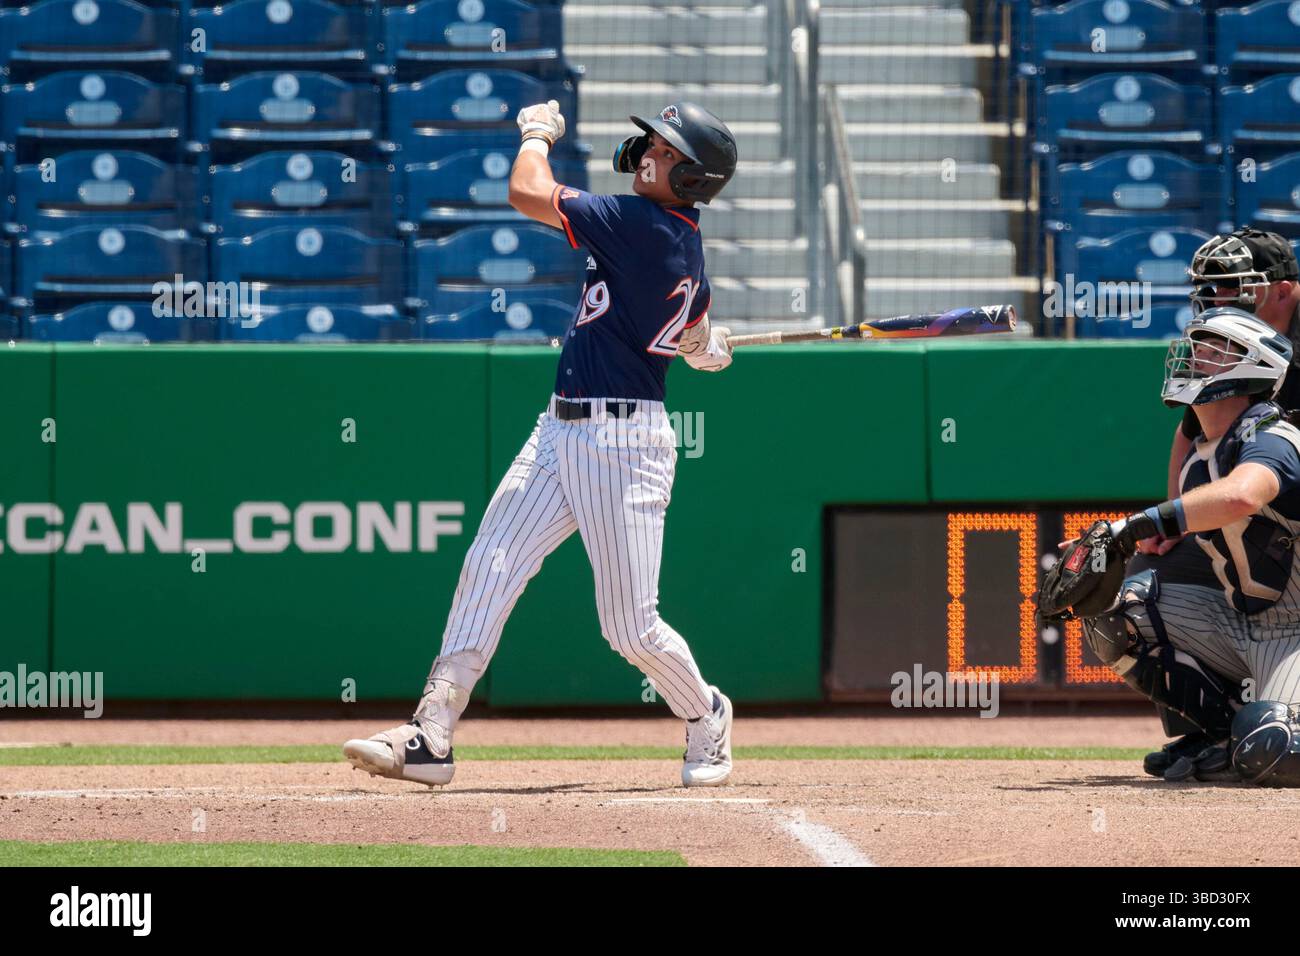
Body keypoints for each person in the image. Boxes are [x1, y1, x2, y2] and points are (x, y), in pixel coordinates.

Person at [343, 100, 741, 788]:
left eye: (668, 150)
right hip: (559, 429)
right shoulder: (674, 240)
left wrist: (536, 133)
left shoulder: (640, 223)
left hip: (624, 445)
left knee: (630, 629)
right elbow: (688, 318)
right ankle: (431, 733)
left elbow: (526, 189)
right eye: (654, 140)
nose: (649, 148)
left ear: (692, 178)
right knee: (490, 564)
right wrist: (702, 342)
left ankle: (706, 713)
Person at [1063, 306, 1300, 783]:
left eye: (1212, 350)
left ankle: (1248, 735)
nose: (1193, 357)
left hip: (1295, 632)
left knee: (1271, 751)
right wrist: (1125, 541)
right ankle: (1217, 734)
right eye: (1196, 347)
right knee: (1114, 610)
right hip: (1241, 621)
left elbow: (1241, 495)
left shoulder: (1274, 436)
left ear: (1250, 366)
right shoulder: (1201, 455)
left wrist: (1135, 523)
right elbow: (1202, 511)